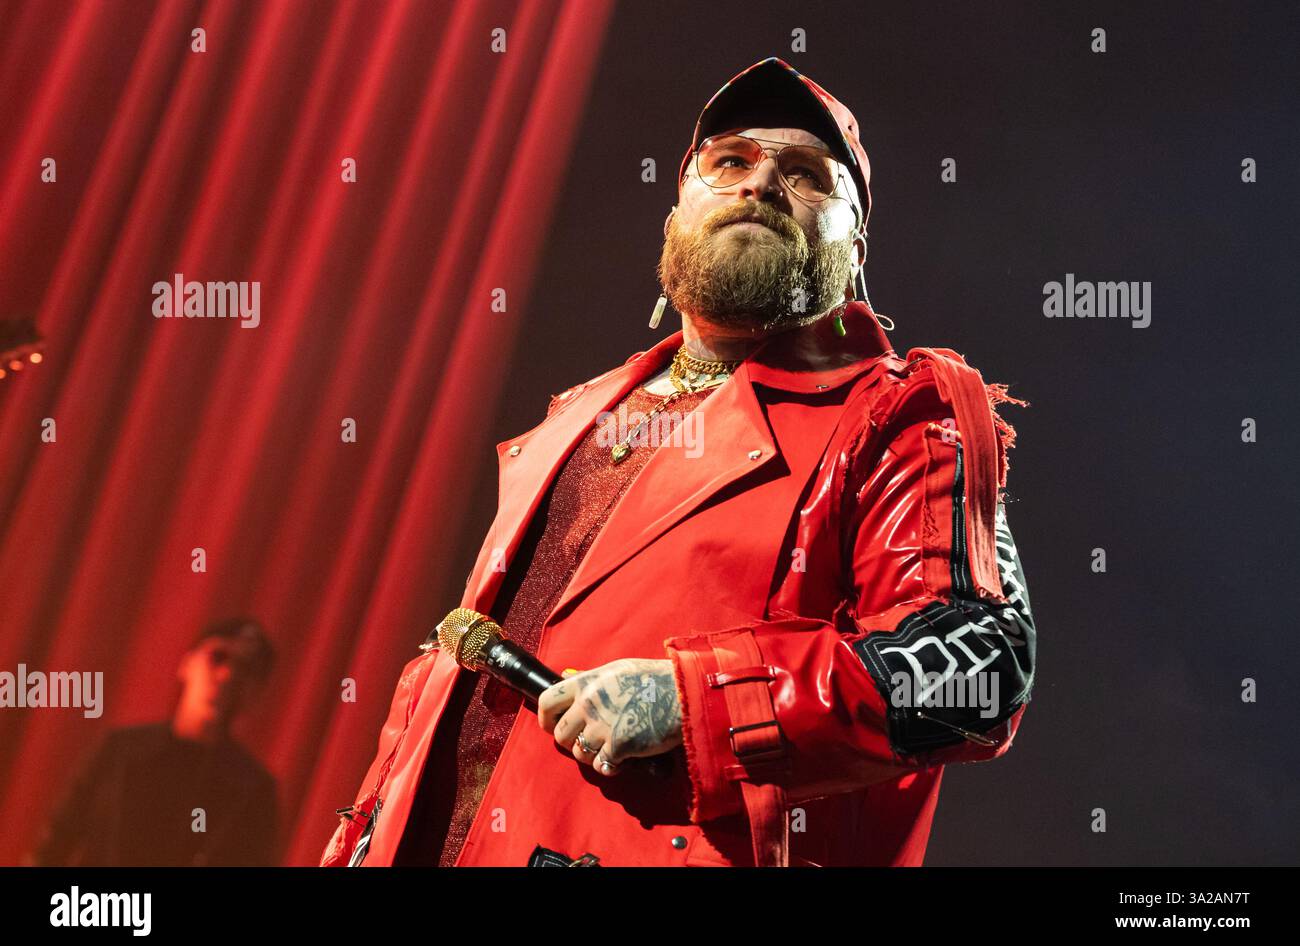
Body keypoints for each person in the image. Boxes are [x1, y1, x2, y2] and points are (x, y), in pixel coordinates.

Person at [323, 56, 1037, 868]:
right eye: (729, 161)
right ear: (677, 212)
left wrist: (698, 700)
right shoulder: (575, 413)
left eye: (806, 175)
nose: (759, 183)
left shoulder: (900, 413)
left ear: (857, 248)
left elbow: (980, 668)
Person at [30, 618, 280, 866]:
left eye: (245, 668)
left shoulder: (254, 792)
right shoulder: (119, 749)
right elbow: (56, 840)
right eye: (218, 657)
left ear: (256, 692)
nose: (227, 675)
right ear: (187, 663)